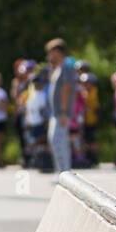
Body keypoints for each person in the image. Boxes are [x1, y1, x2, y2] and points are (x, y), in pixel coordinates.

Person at [45, 37, 76, 176]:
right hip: (55, 112)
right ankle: (62, 171)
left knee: (58, 142)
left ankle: (64, 173)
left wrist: (64, 111)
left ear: (58, 52)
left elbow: (66, 89)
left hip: (61, 112)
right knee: (57, 142)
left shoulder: (66, 67)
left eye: (51, 52)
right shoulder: (57, 68)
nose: (49, 55)